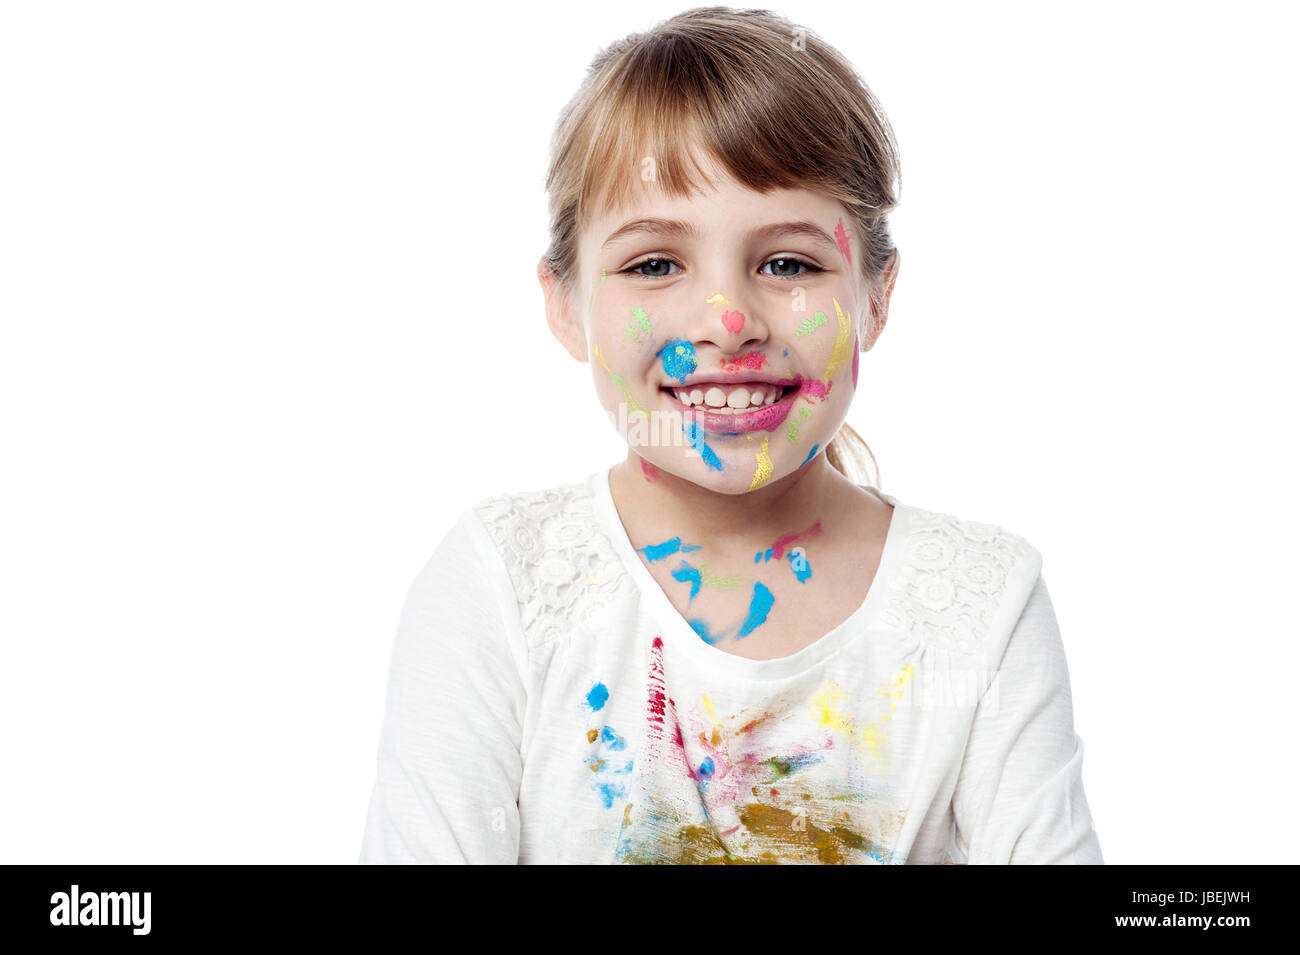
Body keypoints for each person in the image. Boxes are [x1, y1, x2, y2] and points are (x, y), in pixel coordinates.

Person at [358, 5, 1103, 865]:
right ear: (565, 303)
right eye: (655, 264)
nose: (727, 321)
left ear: (875, 294)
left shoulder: (982, 603)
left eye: (788, 263)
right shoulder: (501, 588)